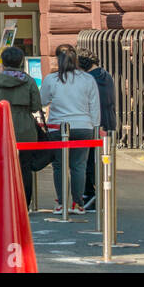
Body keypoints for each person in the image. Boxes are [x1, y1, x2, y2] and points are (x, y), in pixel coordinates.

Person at [41, 44, 100, 215]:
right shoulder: (88, 79)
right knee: (78, 165)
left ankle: (61, 203)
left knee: (59, 165)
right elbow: (94, 106)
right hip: (84, 126)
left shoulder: (52, 79)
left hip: (57, 126)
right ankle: (78, 203)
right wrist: (95, 127)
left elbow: (43, 101)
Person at [0, 46, 49, 206]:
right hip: (26, 127)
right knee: (25, 167)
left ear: (4, 61)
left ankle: (4, 203)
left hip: (2, 127)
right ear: (21, 61)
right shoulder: (28, 80)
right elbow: (36, 106)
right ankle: (24, 204)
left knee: (2, 167)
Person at [79, 52, 115, 210]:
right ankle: (101, 193)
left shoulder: (89, 79)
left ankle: (91, 193)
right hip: (109, 121)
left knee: (88, 160)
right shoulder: (105, 75)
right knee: (102, 160)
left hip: (96, 123)